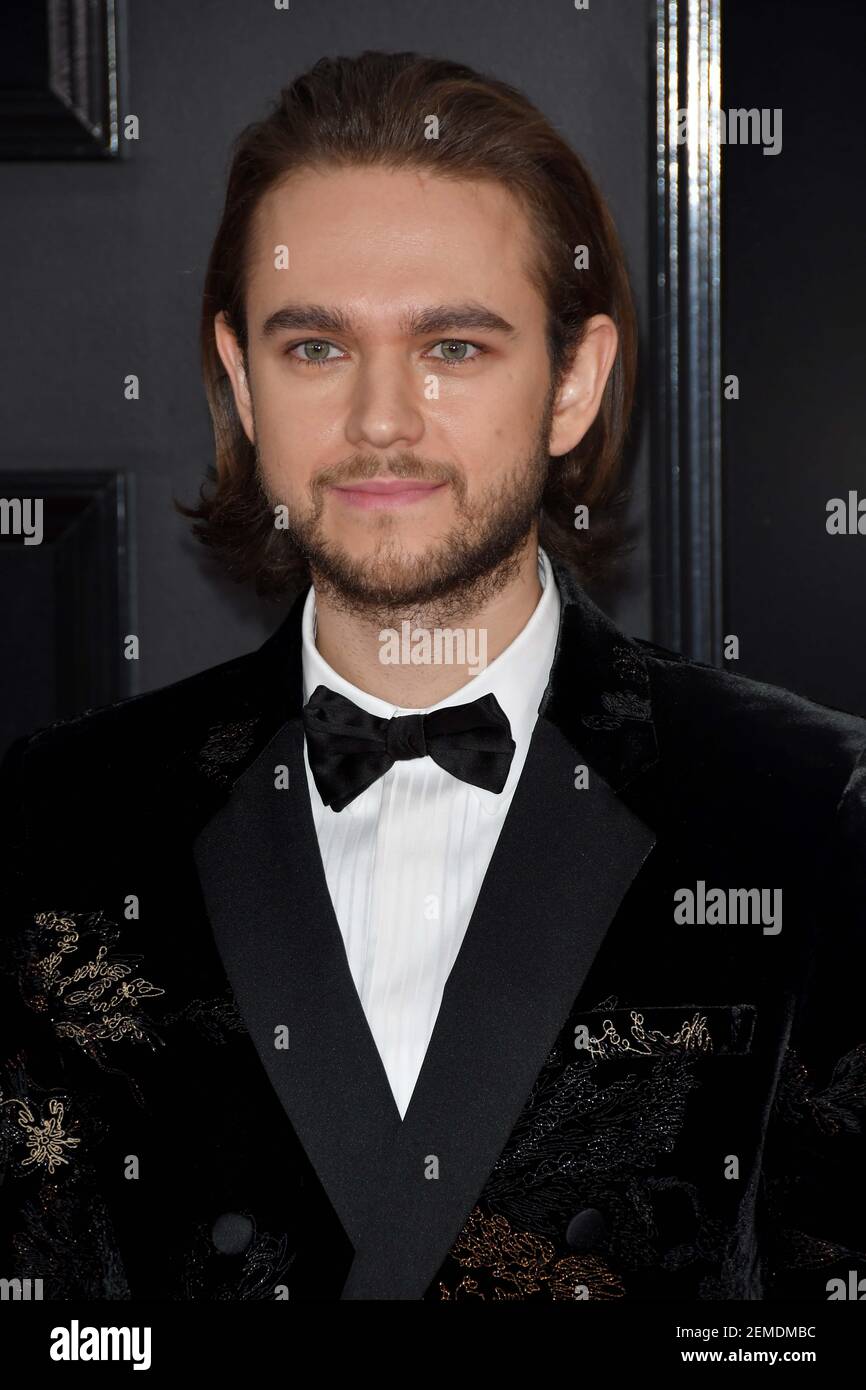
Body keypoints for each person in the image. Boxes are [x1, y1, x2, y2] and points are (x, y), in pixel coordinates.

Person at [1, 50, 864, 1303]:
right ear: (241, 383)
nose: (382, 420)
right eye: (315, 348)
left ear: (571, 383)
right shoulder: (50, 819)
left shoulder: (811, 811)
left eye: (453, 346)